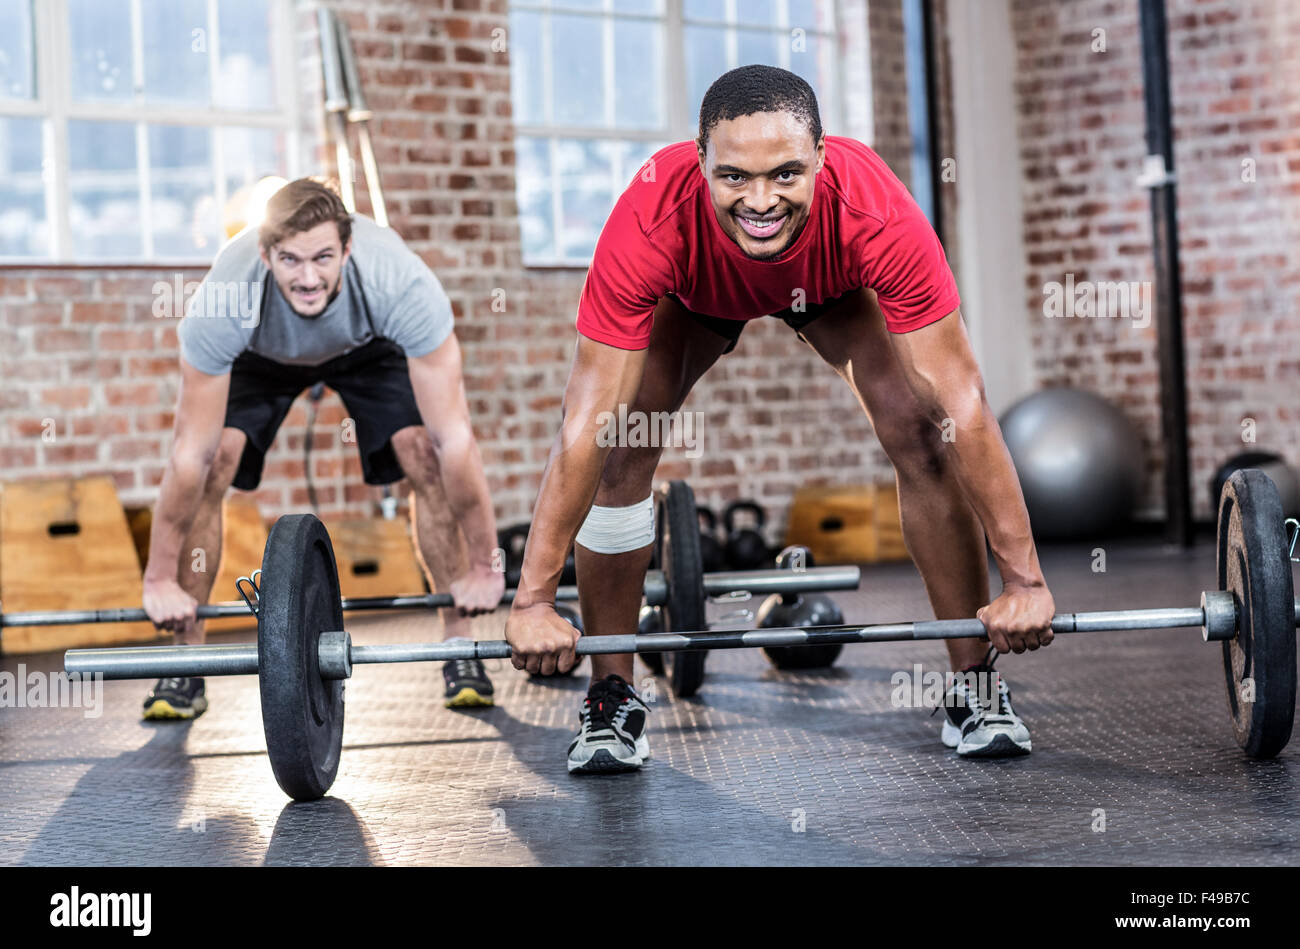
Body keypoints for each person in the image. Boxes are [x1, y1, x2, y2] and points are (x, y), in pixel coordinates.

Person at [504, 65, 1057, 774]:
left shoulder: (873, 210)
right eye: (733, 176)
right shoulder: (650, 218)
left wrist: (1027, 584)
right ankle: (611, 694)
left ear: (824, 158)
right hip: (696, 295)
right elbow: (585, 421)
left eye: (786, 174)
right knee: (620, 445)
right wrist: (534, 600)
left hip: (828, 288)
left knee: (922, 433)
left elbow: (965, 404)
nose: (760, 200)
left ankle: (973, 681)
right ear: (698, 161)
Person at [141, 178, 505, 718]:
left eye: (322, 258)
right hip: (261, 356)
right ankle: (185, 666)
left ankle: (458, 645)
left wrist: (487, 563)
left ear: (348, 250)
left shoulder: (399, 285)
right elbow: (187, 455)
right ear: (264, 254)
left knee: (423, 452)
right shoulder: (223, 302)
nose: (308, 278)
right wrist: (159, 577)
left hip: (366, 348)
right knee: (216, 461)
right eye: (290, 259)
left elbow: (455, 439)